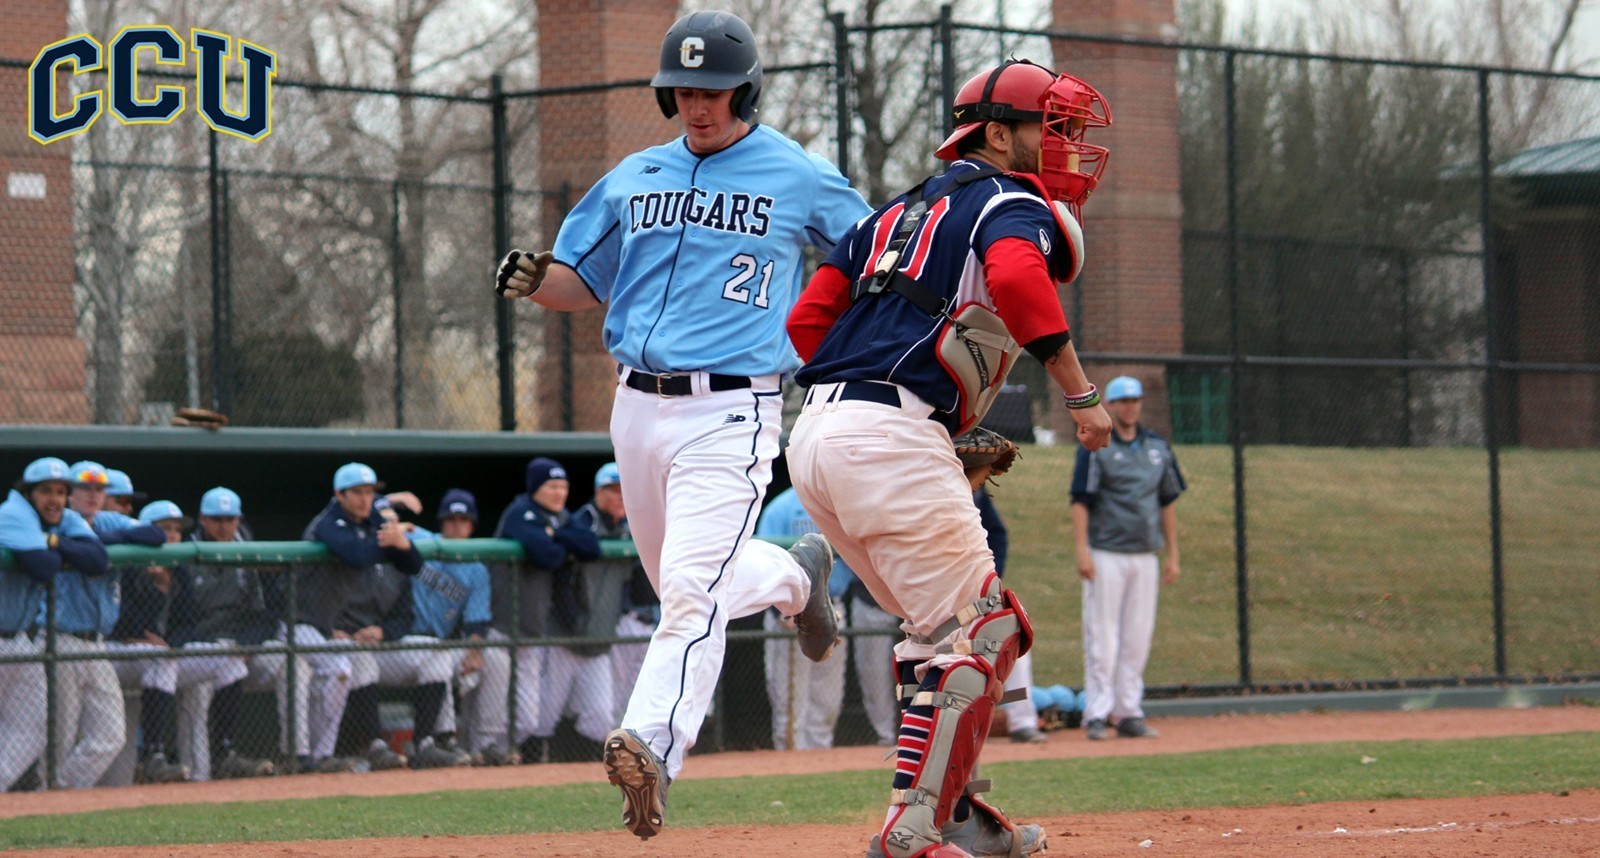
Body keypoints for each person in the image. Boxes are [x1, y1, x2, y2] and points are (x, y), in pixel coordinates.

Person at [493, 10, 864, 837]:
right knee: (682, 592)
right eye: (685, 90)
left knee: (689, 596)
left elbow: (872, 250)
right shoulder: (635, 175)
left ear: (746, 90)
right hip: (637, 407)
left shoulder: (795, 173)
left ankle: (653, 747)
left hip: (734, 407)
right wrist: (532, 281)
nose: (699, 104)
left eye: (716, 91)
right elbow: (579, 283)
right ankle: (798, 578)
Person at [784, 59, 1115, 857]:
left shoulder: (888, 215)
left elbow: (806, 323)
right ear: (997, 134)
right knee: (988, 629)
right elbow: (1014, 275)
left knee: (936, 637)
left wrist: (899, 393)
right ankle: (917, 828)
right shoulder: (1007, 197)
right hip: (885, 439)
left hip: (817, 438)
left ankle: (954, 814)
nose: (1067, 146)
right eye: (1054, 128)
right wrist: (1078, 393)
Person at [1070, 375, 1185, 742]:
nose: (1129, 406)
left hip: (1145, 555)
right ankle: (1097, 713)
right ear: (1111, 406)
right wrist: (1082, 550)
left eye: (1134, 399)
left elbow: (1166, 502)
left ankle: (1129, 711)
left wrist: (1173, 555)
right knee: (1103, 637)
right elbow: (1080, 501)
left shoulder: (1157, 447)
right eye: (1122, 400)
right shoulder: (1096, 445)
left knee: (1138, 636)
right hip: (1106, 554)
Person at [296, 462, 423, 772]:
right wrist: (390, 543)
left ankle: (321, 755)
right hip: (300, 621)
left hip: (327, 625)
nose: (365, 499)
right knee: (338, 667)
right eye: (357, 493)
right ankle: (311, 756)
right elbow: (356, 556)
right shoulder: (327, 523)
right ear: (339, 495)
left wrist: (403, 544)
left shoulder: (370, 518)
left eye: (369, 493)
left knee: (345, 668)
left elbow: (413, 565)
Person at [50, 460, 163, 789]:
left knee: (111, 734)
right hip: (61, 638)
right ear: (70, 494)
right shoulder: (61, 521)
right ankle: (48, 799)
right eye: (85, 488)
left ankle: (62, 790)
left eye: (99, 489)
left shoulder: (106, 519)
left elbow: (153, 534)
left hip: (96, 642)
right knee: (61, 734)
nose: (92, 495)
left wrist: (104, 536)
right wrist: (110, 539)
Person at [0, 457, 107, 791]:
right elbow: (44, 567)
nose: (55, 499)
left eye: (61, 492)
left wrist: (54, 541)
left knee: (35, 726)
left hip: (17, 640)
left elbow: (97, 559)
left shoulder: (58, 519)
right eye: (46, 491)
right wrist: (58, 546)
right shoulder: (12, 513)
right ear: (29, 493)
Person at [168, 487, 284, 779]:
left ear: (239, 520)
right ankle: (200, 773)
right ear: (202, 520)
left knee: (290, 663)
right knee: (201, 691)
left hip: (242, 646)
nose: (223, 526)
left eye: (229, 519)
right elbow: (178, 617)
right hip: (199, 645)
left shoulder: (252, 554)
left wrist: (249, 643)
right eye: (216, 519)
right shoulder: (185, 553)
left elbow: (271, 611)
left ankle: (295, 756)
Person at [491, 457, 600, 764]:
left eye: (563, 486)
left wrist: (557, 534)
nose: (559, 493)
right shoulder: (519, 513)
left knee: (526, 719)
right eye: (551, 486)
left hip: (532, 629)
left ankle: (494, 759)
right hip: (498, 626)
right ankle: (476, 760)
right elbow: (548, 556)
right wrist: (560, 539)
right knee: (488, 711)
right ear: (535, 488)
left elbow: (592, 547)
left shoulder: (560, 517)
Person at [377, 490, 494, 770]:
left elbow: (476, 621)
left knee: (479, 663)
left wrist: (475, 651)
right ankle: (436, 740)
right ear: (441, 521)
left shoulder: (476, 569)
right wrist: (395, 509)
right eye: (451, 518)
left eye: (463, 519)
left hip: (433, 645)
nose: (456, 524)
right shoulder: (421, 538)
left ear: (472, 524)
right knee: (437, 655)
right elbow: (373, 515)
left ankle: (470, 742)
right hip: (397, 639)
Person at [532, 463, 632, 761]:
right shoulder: (582, 520)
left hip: (599, 638)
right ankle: (532, 769)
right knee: (544, 714)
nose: (620, 497)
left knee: (602, 716)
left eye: (623, 490)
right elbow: (564, 575)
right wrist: (571, 618)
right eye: (613, 490)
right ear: (598, 493)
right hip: (565, 637)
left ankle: (579, 771)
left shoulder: (630, 525)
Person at [755, 486, 848, 751]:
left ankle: (819, 765)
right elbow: (763, 566)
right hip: (790, 613)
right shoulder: (780, 509)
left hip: (834, 606)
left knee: (827, 702)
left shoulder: (839, 504)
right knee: (790, 705)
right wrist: (779, 610)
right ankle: (790, 764)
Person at [970, 485, 1045, 745]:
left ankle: (1022, 720)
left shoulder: (975, 490)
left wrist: (991, 577)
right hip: (939, 592)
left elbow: (998, 534)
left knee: (1014, 642)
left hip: (980, 589)